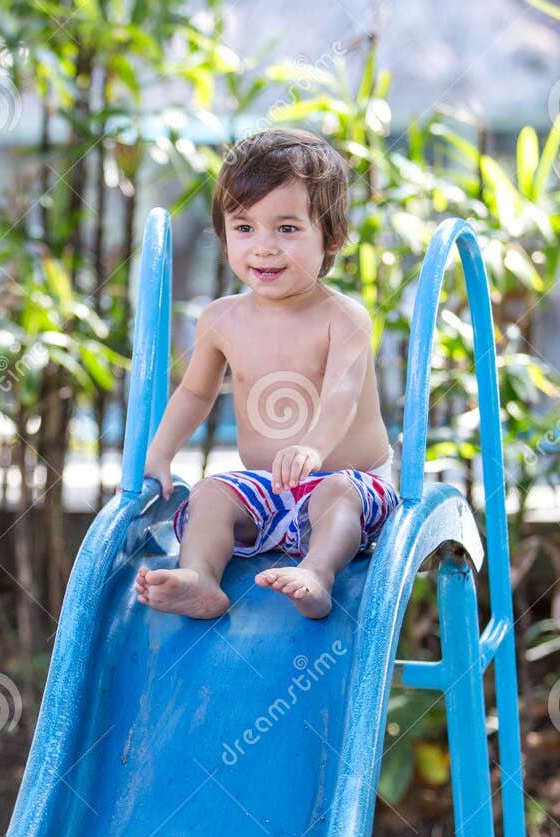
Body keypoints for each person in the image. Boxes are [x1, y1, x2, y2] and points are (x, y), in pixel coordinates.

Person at [136, 128, 399, 621]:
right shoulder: (221, 318)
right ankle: (200, 578)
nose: (264, 247)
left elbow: (341, 394)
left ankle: (317, 573)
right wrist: (160, 452)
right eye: (244, 227)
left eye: (287, 229)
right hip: (268, 491)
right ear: (224, 234)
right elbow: (195, 393)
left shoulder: (343, 317)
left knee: (336, 494)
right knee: (211, 492)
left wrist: (312, 448)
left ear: (332, 237)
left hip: (352, 487)